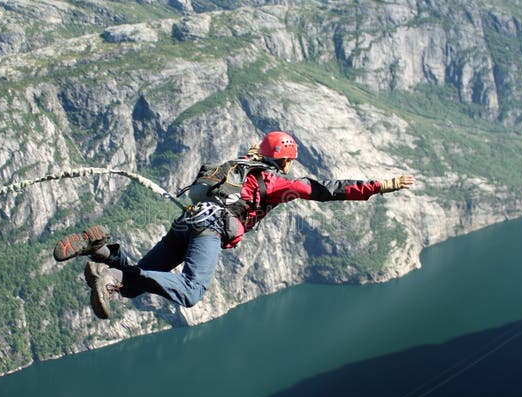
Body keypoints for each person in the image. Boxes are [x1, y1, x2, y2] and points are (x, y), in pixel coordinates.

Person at [53, 131, 414, 320]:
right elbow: (327, 190)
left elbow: (200, 190)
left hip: (186, 221)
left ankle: (101, 251)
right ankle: (108, 273)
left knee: (131, 287)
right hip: (207, 230)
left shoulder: (236, 166)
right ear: (285, 160)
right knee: (191, 292)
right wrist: (382, 185)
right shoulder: (276, 180)